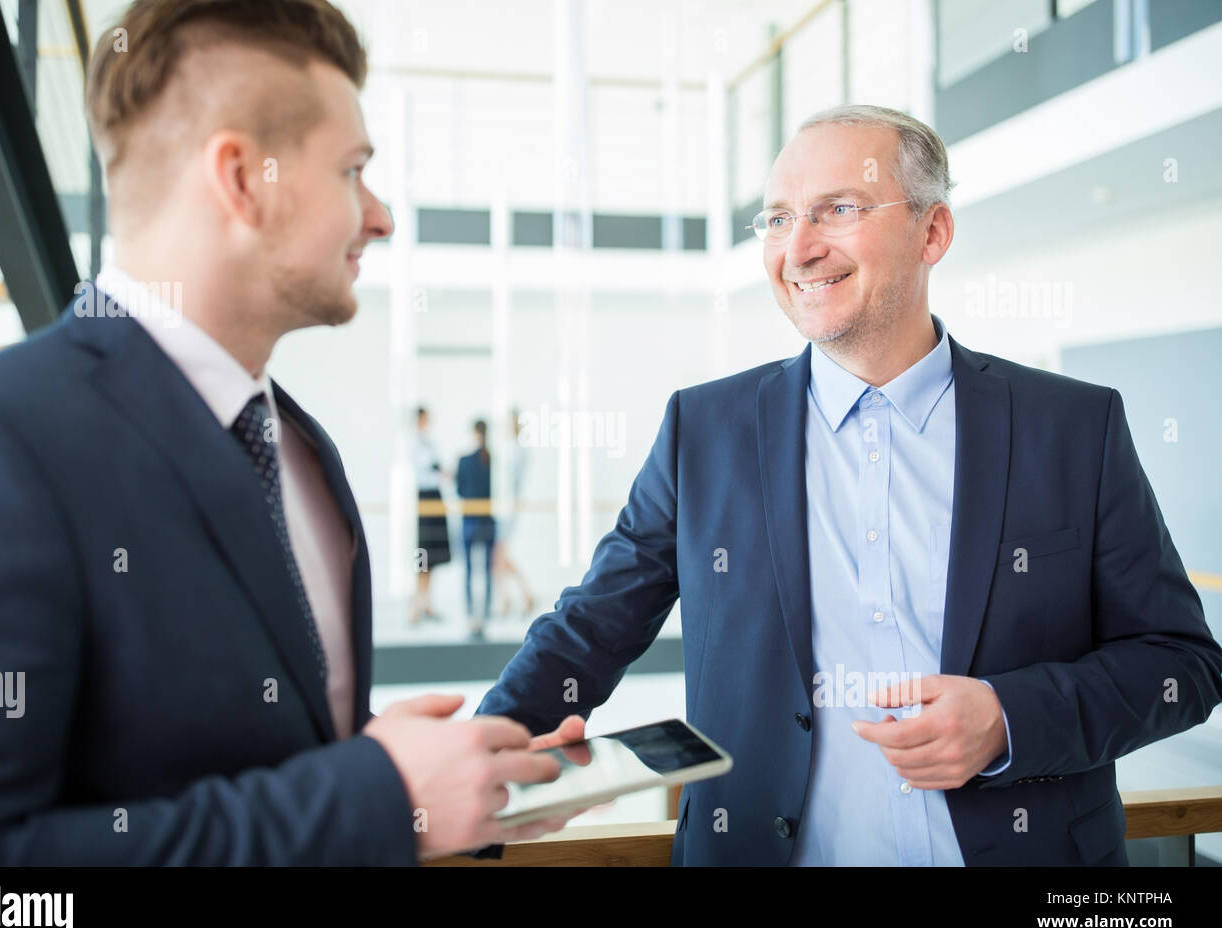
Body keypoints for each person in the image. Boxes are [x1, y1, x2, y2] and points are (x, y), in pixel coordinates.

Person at [477, 105, 1222, 865]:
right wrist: (455, 787)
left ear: (932, 232)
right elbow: (587, 632)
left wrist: (1008, 719)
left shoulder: (1072, 428)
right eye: (775, 218)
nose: (797, 248)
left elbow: (1181, 662)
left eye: (838, 209)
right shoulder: (703, 431)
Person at [0, 0, 575, 865]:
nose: (380, 217)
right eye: (352, 172)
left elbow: (263, 752)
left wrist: (454, 787)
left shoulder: (300, 448)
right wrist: (378, 796)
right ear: (242, 179)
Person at [411, 405, 451, 625]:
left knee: (431, 558)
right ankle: (416, 606)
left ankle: (426, 604)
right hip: (425, 499)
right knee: (423, 556)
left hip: (435, 498)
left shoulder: (427, 440)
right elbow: (429, 465)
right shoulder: (415, 441)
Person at [457, 419, 497, 640]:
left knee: (470, 570)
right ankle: (486, 614)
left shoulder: (465, 460)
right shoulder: (492, 460)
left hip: (470, 521)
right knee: (488, 570)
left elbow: (460, 490)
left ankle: (472, 615)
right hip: (488, 520)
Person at [493, 408, 534, 618]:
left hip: (506, 509)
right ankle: (513, 597)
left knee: (498, 555)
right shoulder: (512, 449)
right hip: (504, 507)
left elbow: (509, 483)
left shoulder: (517, 450)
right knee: (499, 557)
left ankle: (515, 597)